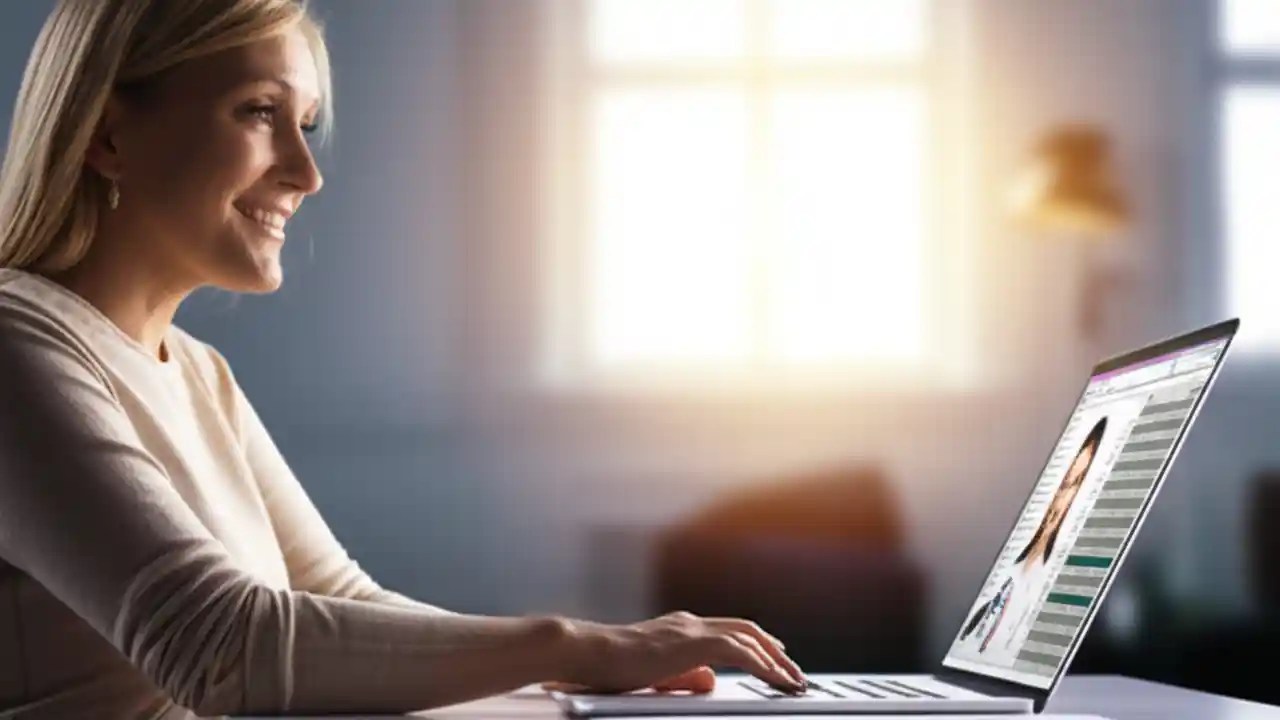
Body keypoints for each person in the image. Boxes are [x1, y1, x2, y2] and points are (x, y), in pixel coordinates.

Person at [0, 1, 806, 717]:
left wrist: (595, 668)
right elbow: (220, 647)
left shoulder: (200, 374)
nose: (306, 172)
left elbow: (342, 601)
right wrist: (574, 647)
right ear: (108, 135)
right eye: (257, 112)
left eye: (305, 124)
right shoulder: (15, 341)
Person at [957, 416, 1109, 662]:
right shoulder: (1008, 569)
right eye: (1064, 482)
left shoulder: (1049, 584)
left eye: (1074, 485)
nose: (1060, 498)